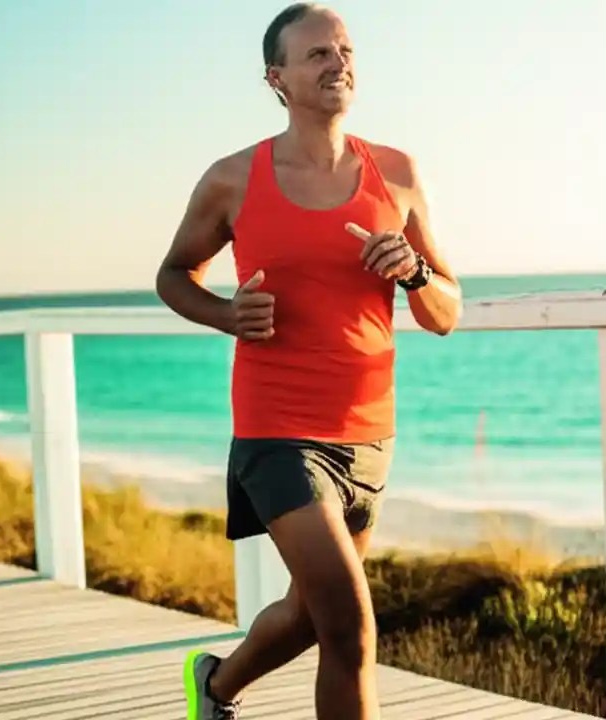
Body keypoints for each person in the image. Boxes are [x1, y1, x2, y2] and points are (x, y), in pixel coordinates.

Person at [155, 3, 461, 718]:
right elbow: (173, 275)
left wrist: (414, 272)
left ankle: (215, 686)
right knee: (350, 626)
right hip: (277, 429)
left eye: (345, 50)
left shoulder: (397, 172)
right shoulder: (233, 178)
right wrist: (226, 315)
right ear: (277, 78)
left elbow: (445, 312)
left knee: (306, 614)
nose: (338, 63)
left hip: (369, 431)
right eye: (318, 53)